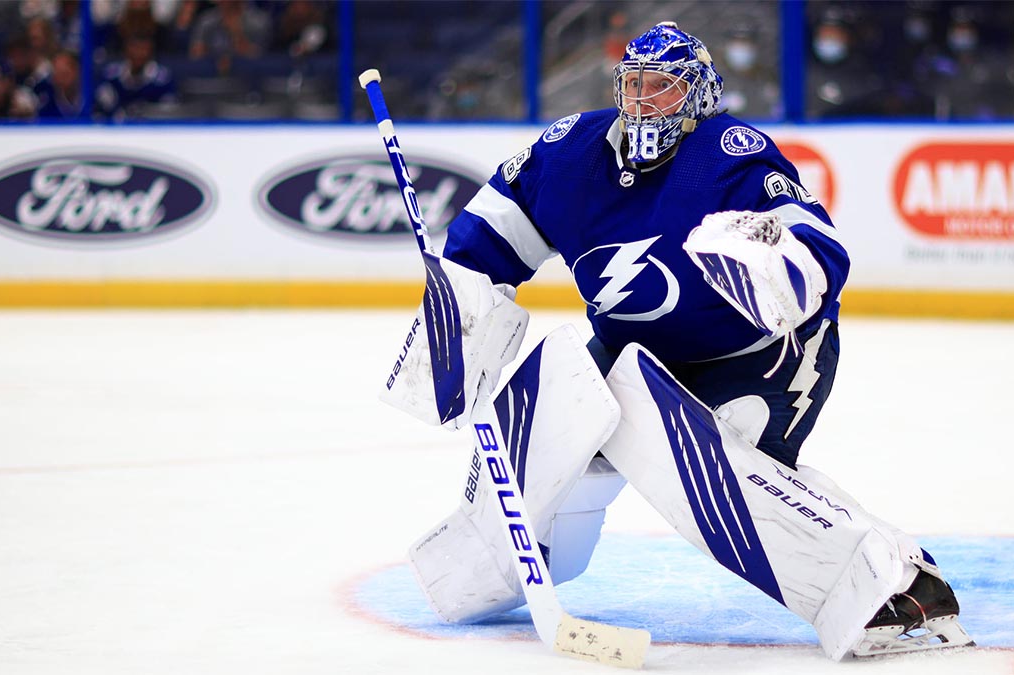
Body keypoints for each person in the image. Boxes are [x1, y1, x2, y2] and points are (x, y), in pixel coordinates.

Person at [385, 22, 975, 661]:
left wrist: (772, 264)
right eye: (634, 86)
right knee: (560, 386)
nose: (643, 102)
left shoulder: (732, 156)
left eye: (662, 89)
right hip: (627, 351)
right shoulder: (568, 155)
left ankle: (893, 585)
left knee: (692, 458)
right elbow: (482, 251)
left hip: (759, 363)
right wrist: (456, 335)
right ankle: (488, 560)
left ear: (696, 96)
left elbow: (821, 253)